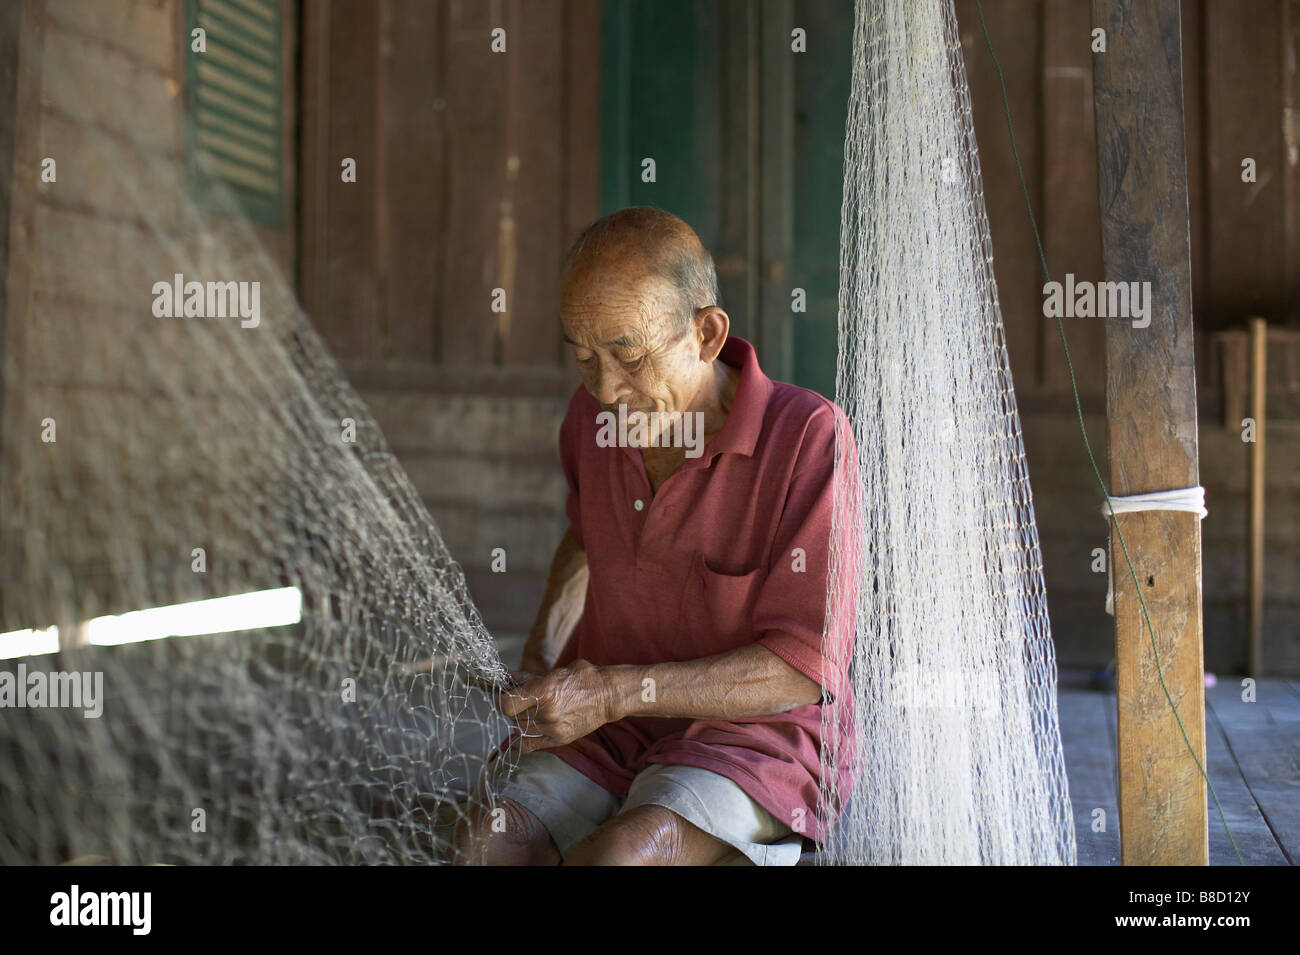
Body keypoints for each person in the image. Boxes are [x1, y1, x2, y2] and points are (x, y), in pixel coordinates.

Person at [453, 206, 859, 865]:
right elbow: (585, 539)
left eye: (629, 356)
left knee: (626, 853)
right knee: (484, 844)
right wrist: (541, 657)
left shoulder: (809, 438)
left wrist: (612, 689)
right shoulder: (592, 417)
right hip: (607, 728)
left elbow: (797, 670)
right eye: (584, 357)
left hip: (755, 733)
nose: (607, 389)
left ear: (706, 332)